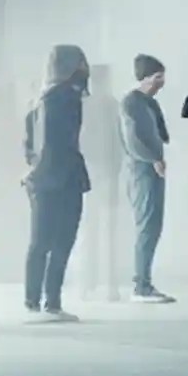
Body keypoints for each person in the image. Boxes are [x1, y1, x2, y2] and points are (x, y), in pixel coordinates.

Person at [23, 46, 92, 322]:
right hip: (63, 179)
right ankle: (51, 302)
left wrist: (34, 171)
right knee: (61, 241)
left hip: (44, 180)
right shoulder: (66, 98)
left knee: (40, 242)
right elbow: (59, 143)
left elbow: (29, 145)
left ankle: (33, 301)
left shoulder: (39, 100)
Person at [121, 54, 175, 304]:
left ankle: (144, 283)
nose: (161, 82)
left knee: (153, 225)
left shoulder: (148, 102)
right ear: (144, 78)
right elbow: (132, 138)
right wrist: (153, 158)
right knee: (147, 226)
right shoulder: (131, 102)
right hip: (142, 170)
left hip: (152, 168)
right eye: (157, 77)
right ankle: (141, 286)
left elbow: (162, 134)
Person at [80, 65, 124, 301]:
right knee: (109, 230)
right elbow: (119, 138)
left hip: (89, 171)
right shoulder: (111, 104)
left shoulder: (83, 105)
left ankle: (87, 285)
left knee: (89, 229)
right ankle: (110, 286)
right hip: (107, 171)